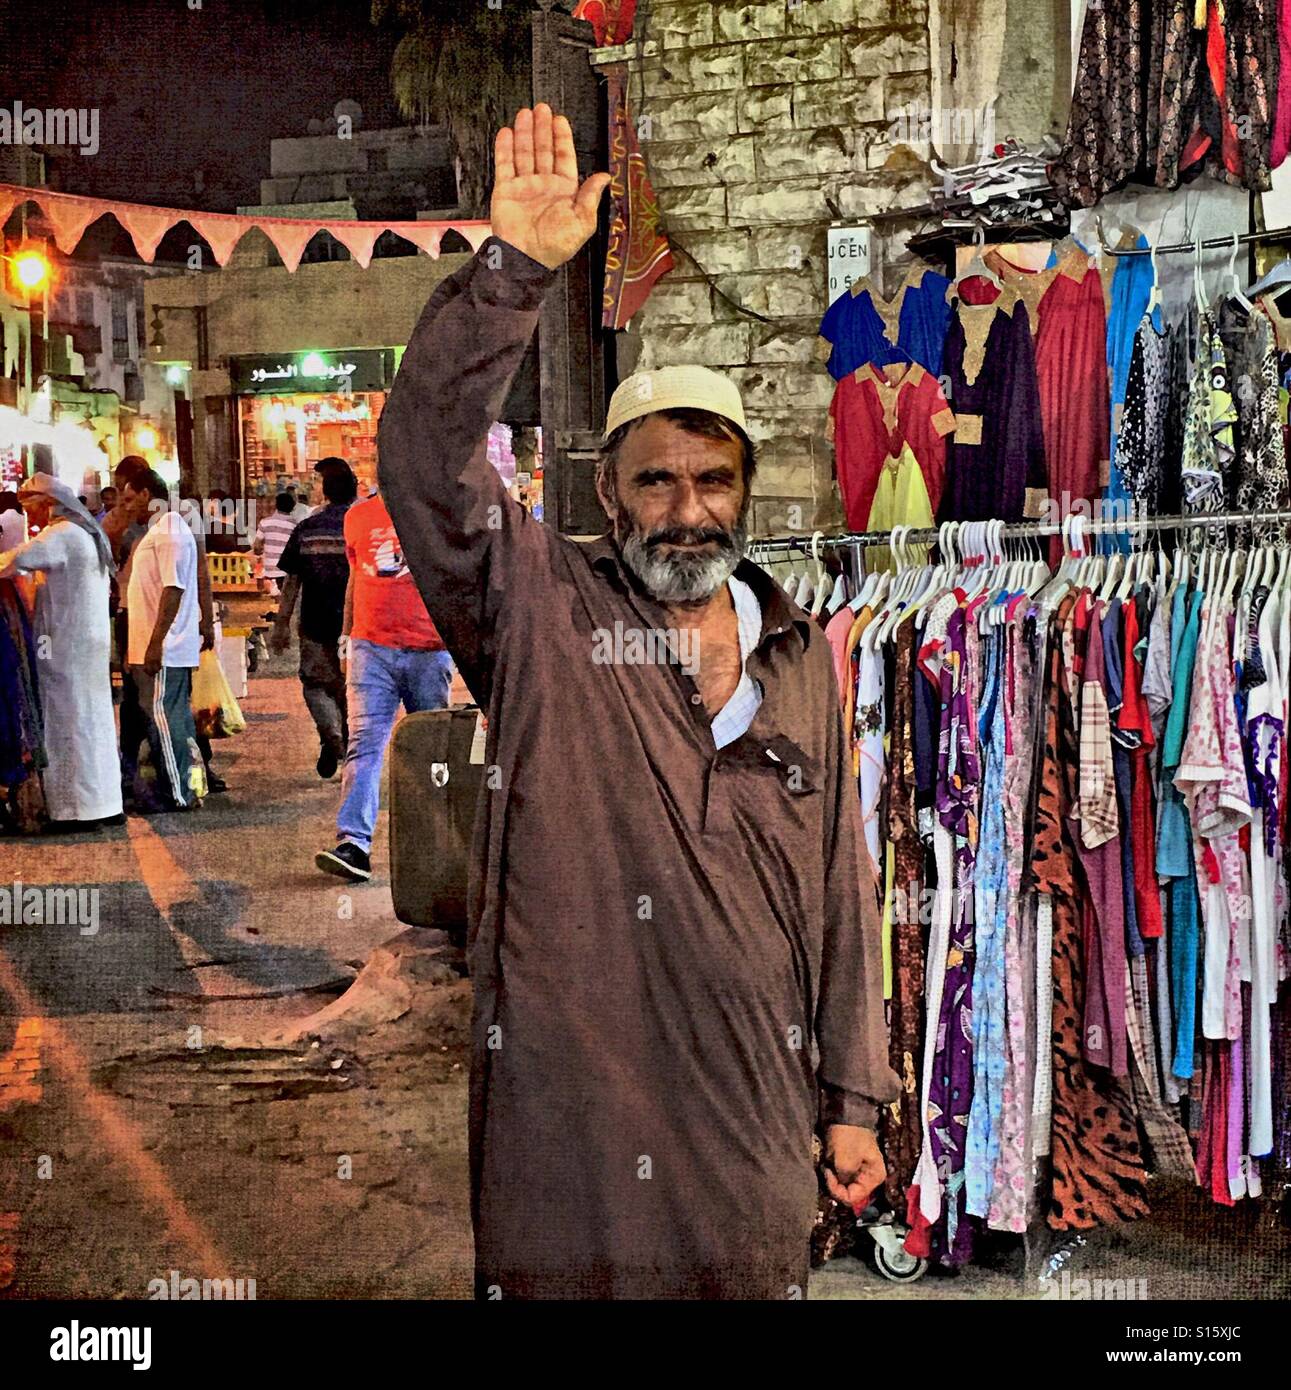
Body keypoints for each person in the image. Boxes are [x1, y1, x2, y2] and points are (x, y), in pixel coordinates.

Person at [378, 104, 898, 1300]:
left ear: (746, 498)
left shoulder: (799, 654)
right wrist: (508, 274)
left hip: (752, 1129)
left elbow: (837, 886)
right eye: (653, 481)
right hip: (573, 1138)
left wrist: (853, 1099)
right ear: (608, 498)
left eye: (713, 481)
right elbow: (421, 462)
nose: (686, 510)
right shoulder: (540, 615)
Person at [315, 489, 452, 882]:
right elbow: (355, 582)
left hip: (429, 650)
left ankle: (437, 845)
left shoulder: (438, 510)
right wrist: (347, 638)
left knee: (432, 753)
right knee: (364, 744)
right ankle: (354, 844)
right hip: (370, 649)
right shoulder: (357, 518)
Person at [0, 476, 123, 829]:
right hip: (86, 644)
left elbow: (18, 558)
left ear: (47, 501)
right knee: (94, 723)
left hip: (66, 645)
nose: (30, 515)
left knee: (68, 725)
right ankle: (105, 802)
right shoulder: (84, 533)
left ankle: (74, 810)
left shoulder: (63, 534)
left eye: (32, 506)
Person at [123, 468, 203, 812]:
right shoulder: (163, 530)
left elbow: (173, 589)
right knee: (174, 720)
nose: (126, 507)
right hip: (162, 647)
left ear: (145, 494)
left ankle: (178, 793)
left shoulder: (169, 532)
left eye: (129, 499)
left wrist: (155, 644)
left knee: (166, 723)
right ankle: (185, 787)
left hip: (166, 650)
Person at [271, 458, 355, 778]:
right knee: (349, 688)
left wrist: (281, 623)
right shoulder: (361, 525)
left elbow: (292, 581)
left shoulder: (307, 528)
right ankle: (339, 739)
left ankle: (331, 736)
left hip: (316, 625)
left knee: (316, 685)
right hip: (357, 628)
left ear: (326, 489)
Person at [252, 491, 298, 595]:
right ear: (292, 508)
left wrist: (262, 552)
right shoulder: (295, 525)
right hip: (288, 571)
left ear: (276, 506)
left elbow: (257, 546)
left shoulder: (265, 523)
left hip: (270, 570)